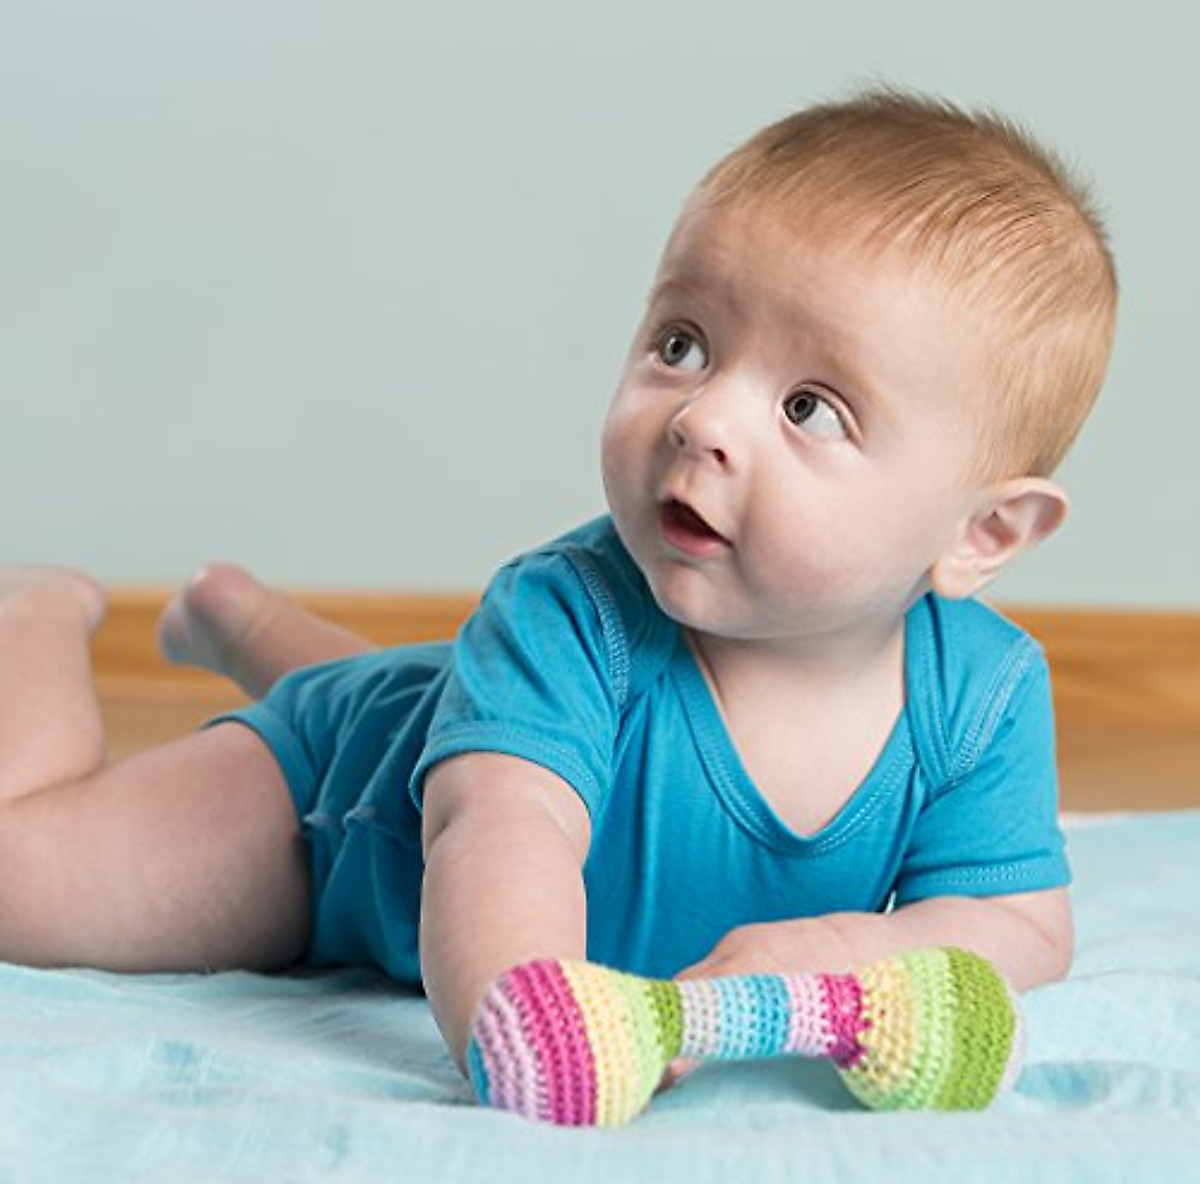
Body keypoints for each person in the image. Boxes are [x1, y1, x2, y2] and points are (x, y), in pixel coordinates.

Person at [0, 88, 1116, 1124]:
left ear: (982, 535)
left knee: (435, 689)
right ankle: (36, 615)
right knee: (28, 883)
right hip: (335, 813)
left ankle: (242, 618)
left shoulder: (983, 696)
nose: (702, 419)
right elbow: (502, 835)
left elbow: (1018, 925)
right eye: (683, 344)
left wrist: (833, 949)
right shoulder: (566, 613)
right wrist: (529, 1014)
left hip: (454, 704)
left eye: (811, 408)